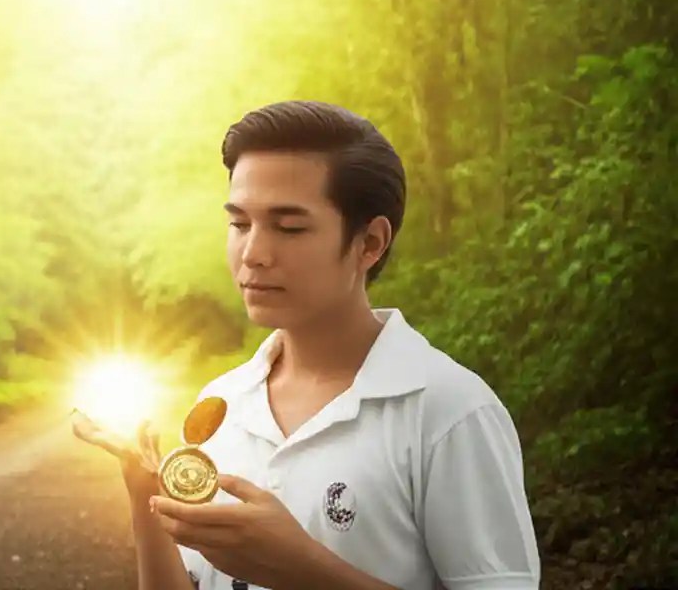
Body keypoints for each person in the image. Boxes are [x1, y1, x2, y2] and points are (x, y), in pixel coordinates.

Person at [72, 100, 540, 590]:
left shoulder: (448, 412)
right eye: (239, 224)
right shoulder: (222, 407)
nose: (253, 254)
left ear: (370, 243)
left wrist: (304, 571)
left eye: (289, 227)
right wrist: (145, 496)